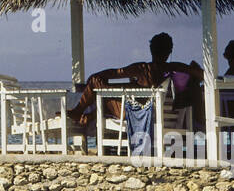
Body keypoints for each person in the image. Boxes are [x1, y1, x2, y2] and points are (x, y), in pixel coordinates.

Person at [67, 32, 204, 130]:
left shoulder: (143, 68)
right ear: (170, 51)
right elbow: (203, 75)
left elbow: (110, 74)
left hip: (137, 115)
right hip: (162, 116)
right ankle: (87, 116)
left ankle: (79, 112)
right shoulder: (176, 68)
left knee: (96, 82)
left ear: (151, 49)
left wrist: (93, 78)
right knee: (109, 95)